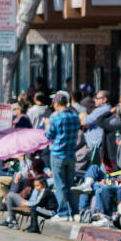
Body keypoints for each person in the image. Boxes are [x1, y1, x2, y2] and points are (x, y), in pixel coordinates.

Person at [47, 91, 80, 221]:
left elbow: (49, 135)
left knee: (60, 184)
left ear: (56, 103)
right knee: (70, 184)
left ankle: (63, 213)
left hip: (57, 154)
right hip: (71, 154)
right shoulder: (75, 117)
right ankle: (74, 211)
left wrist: (46, 126)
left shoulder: (55, 118)